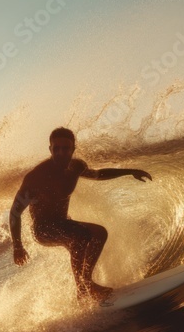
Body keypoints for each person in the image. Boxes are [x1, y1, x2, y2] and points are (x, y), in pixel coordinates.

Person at [9, 127, 152, 300]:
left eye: (66, 148)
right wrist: (18, 246)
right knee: (80, 237)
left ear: (73, 149)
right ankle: (85, 286)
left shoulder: (76, 167)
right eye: (56, 148)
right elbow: (15, 213)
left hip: (63, 223)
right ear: (50, 149)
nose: (61, 152)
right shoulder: (36, 178)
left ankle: (83, 290)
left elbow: (98, 175)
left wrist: (129, 171)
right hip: (43, 229)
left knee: (99, 233)